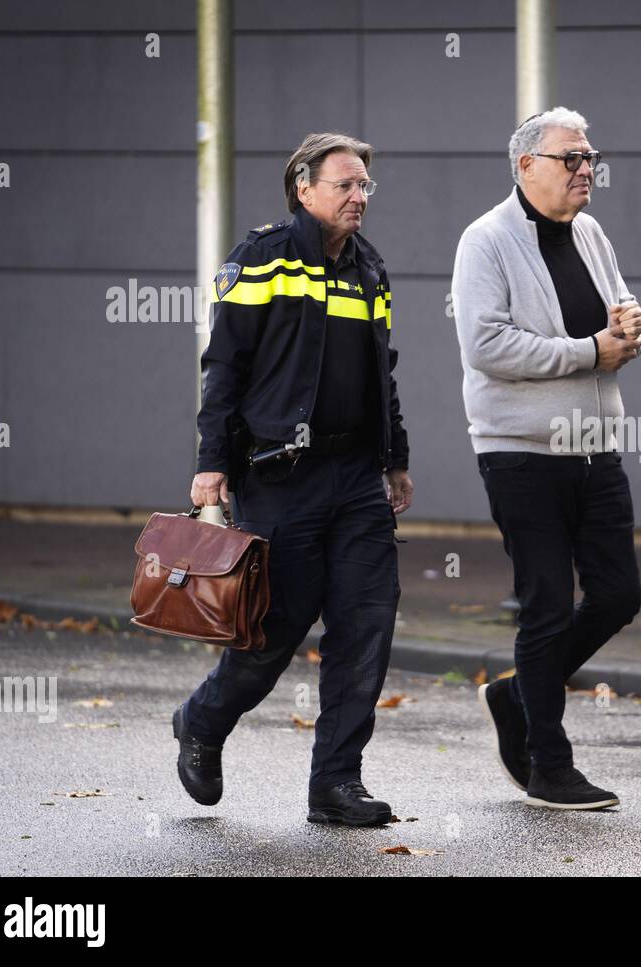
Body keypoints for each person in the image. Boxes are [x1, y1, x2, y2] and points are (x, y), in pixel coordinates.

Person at [176, 132, 413, 826]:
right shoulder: (263, 257)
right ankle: (202, 719)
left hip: (356, 477)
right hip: (280, 475)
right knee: (274, 628)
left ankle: (336, 783)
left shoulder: (369, 268)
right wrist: (211, 463)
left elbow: (383, 375)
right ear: (304, 189)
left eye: (365, 185)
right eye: (346, 184)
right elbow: (224, 367)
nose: (359, 196)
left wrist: (395, 458)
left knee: (366, 624)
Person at [451, 107, 641, 810]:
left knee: (619, 595)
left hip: (595, 448)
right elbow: (486, 345)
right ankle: (548, 765)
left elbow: (618, 309)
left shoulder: (591, 233)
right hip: (520, 452)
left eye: (590, 156)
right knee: (547, 605)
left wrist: (632, 326)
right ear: (526, 165)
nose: (586, 169)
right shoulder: (486, 239)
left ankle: (515, 694)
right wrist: (590, 351)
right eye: (572, 158)